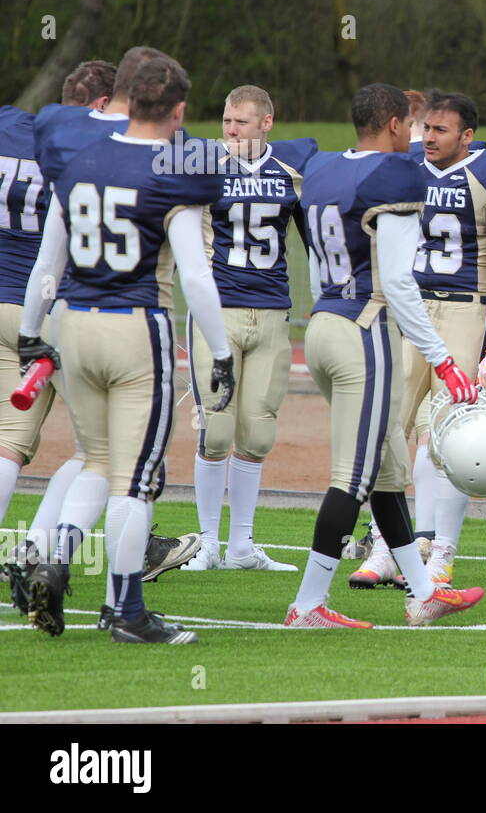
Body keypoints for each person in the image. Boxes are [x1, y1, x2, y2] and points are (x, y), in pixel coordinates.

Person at [21, 53, 237, 643]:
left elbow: (49, 259)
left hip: (75, 322)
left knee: (96, 461)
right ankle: (126, 613)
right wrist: (218, 351)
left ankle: (54, 555)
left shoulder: (77, 154)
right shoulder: (178, 169)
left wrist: (31, 330)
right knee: (135, 480)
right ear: (178, 110)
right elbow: (194, 276)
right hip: (136, 325)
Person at [286, 82, 483, 628]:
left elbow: (315, 260)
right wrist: (443, 359)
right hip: (364, 330)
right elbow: (397, 282)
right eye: (415, 125)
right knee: (352, 477)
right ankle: (307, 604)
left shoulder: (324, 168)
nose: (419, 137)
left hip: (324, 321)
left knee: (387, 473)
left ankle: (423, 594)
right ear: (395, 124)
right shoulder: (391, 176)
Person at [350, 90, 486, 590]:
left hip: (464, 307)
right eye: (425, 128)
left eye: (441, 130)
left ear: (467, 136)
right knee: (390, 429)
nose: (428, 138)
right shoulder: (405, 168)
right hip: (408, 307)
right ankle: (389, 547)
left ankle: (442, 554)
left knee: (454, 435)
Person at [180, 85, 317, 572]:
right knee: (215, 429)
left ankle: (241, 546)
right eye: (226, 120)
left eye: (241, 121)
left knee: (257, 432)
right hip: (218, 312)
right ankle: (207, 543)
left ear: (267, 123)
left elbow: (316, 244)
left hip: (273, 312)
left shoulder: (291, 173)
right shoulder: (203, 166)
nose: (231, 129)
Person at [0, 61, 116, 613]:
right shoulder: (95, 149)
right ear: (101, 105)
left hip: (10, 303)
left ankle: (31, 554)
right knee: (103, 449)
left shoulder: (14, 124)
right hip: (57, 310)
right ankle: (43, 553)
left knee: (8, 442)